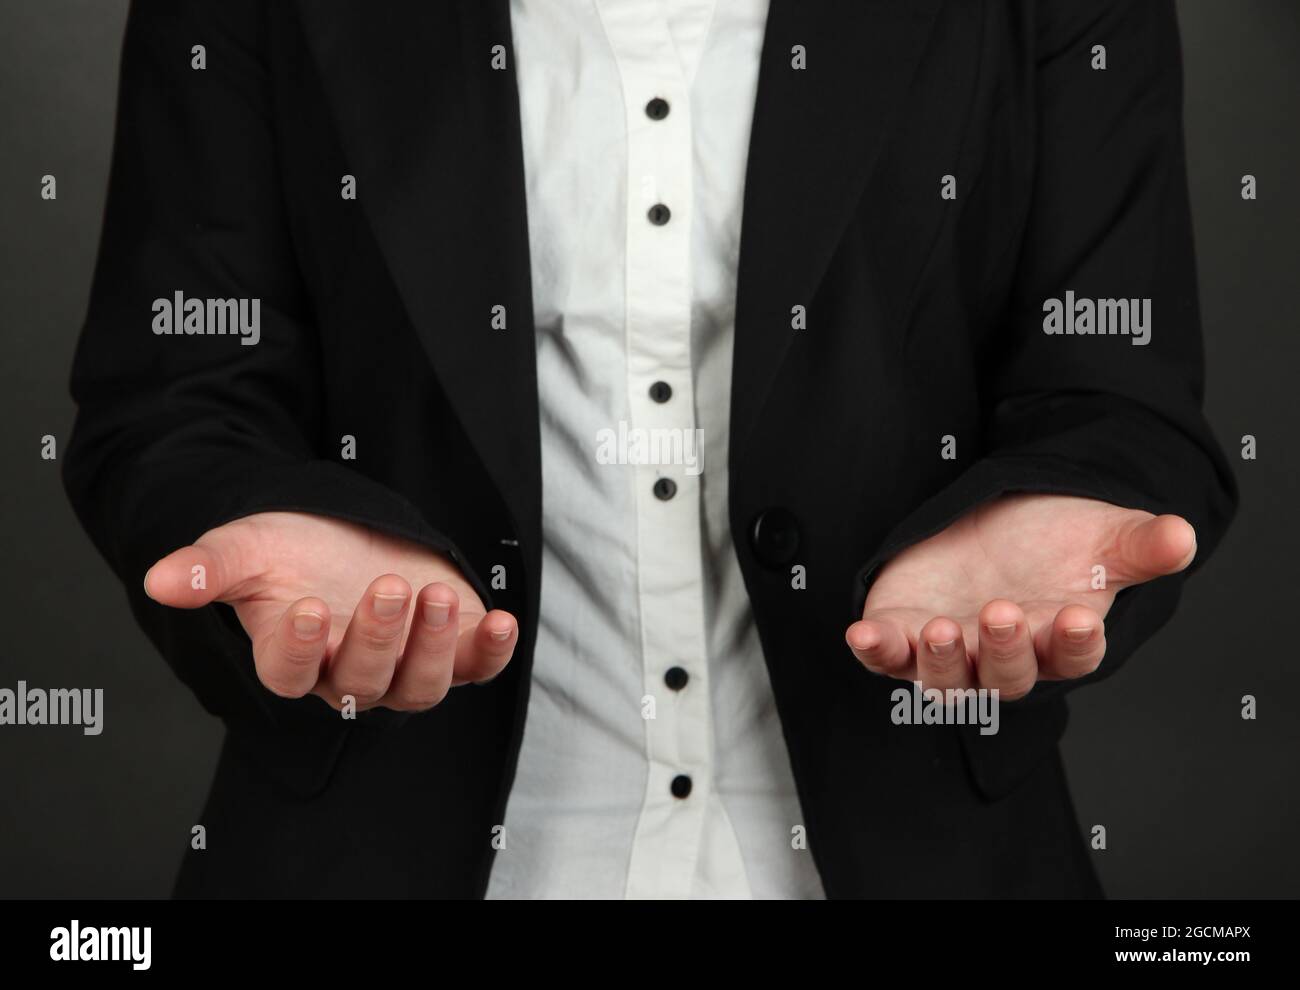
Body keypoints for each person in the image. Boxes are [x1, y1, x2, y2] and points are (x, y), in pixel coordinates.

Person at [64, 0, 1236, 898]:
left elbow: (1119, 398)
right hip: (377, 851)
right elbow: (173, 397)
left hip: (930, 854)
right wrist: (268, 534)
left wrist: (1062, 505)